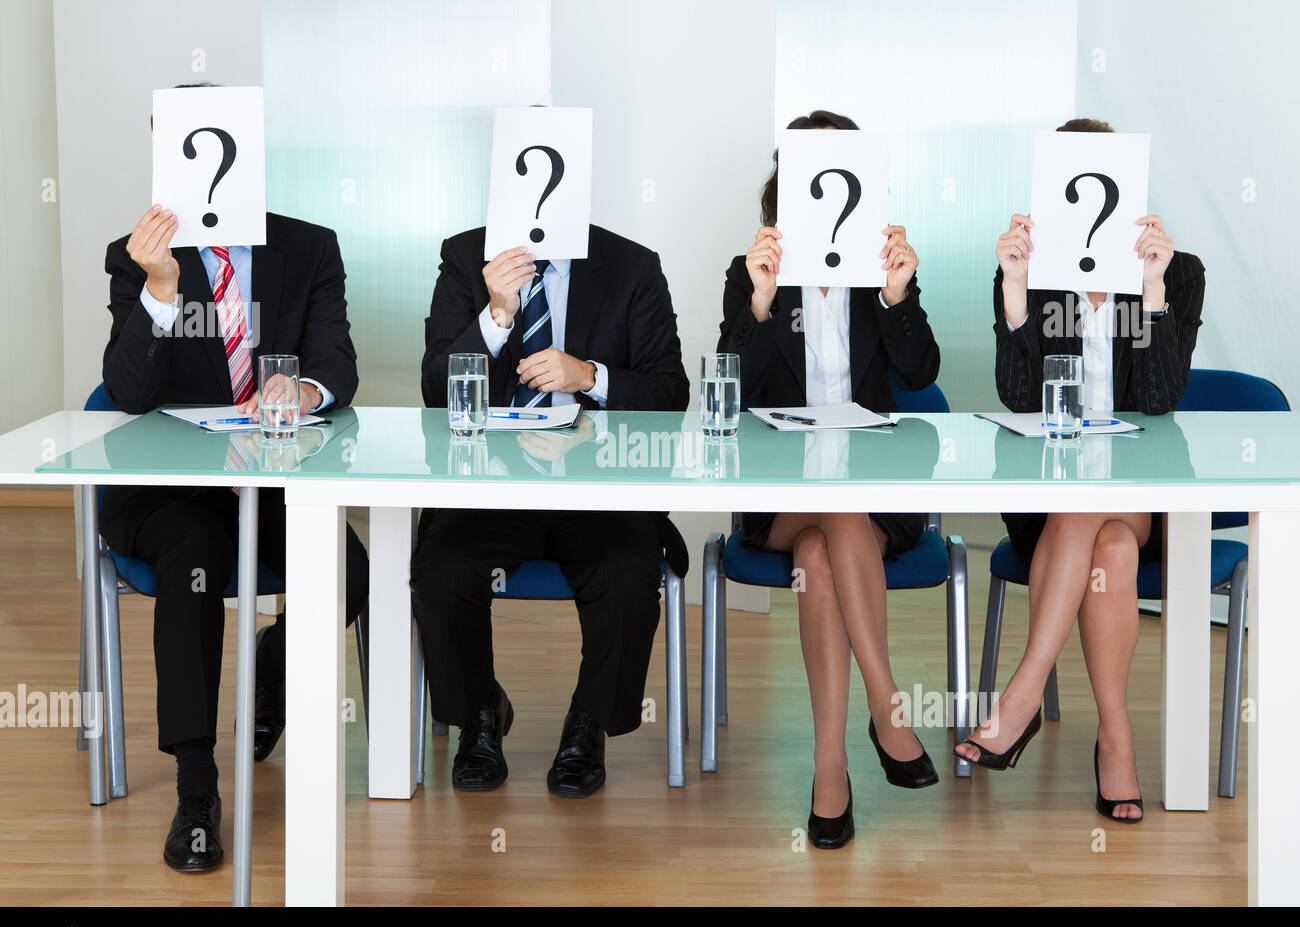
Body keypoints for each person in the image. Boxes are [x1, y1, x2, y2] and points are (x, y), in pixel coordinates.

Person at [101, 195, 370, 871]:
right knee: (193, 560)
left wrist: (304, 389)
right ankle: (197, 790)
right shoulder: (136, 255)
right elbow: (128, 392)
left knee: (351, 570)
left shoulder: (308, 247)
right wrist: (161, 289)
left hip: (271, 476)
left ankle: (267, 683)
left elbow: (338, 363)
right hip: (170, 490)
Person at [954, 118, 1206, 824]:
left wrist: (1151, 292)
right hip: (1052, 499)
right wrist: (1013, 289)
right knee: (1112, 548)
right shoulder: (1032, 273)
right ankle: (1116, 738)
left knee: (1112, 524)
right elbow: (1014, 395)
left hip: (1135, 491)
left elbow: (1158, 401)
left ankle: (1023, 695)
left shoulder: (1179, 273)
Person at [717, 109, 943, 849]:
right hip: (778, 494)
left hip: (869, 495)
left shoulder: (877, 271)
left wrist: (896, 295)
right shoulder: (752, 274)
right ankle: (888, 705)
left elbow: (920, 374)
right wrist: (755, 301)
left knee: (822, 549)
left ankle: (830, 767)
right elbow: (725, 394)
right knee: (825, 518)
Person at [412, 222, 689, 799]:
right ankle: (480, 712)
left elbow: (671, 392)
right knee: (443, 566)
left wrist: (589, 376)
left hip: (598, 488)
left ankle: (589, 720)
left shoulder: (632, 263)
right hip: (493, 490)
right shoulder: (466, 256)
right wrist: (496, 317)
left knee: (626, 571)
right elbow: (436, 389)